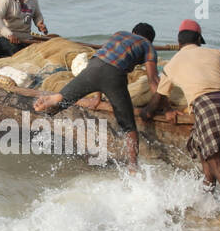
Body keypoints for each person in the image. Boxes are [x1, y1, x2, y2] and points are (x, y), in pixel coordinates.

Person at [143, 22, 220, 221]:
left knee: (218, 165)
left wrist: (146, 114)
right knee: (206, 158)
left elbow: (159, 97)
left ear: (179, 42)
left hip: (205, 107)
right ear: (199, 40)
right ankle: (205, 202)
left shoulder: (173, 63)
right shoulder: (216, 52)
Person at [32, 22, 160, 172]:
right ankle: (133, 166)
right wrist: (161, 102)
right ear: (150, 40)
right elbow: (153, 81)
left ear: (133, 32)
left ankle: (53, 102)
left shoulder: (120, 34)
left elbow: (103, 59)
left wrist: (97, 98)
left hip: (92, 66)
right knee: (129, 126)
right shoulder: (148, 46)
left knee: (66, 99)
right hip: (114, 75)